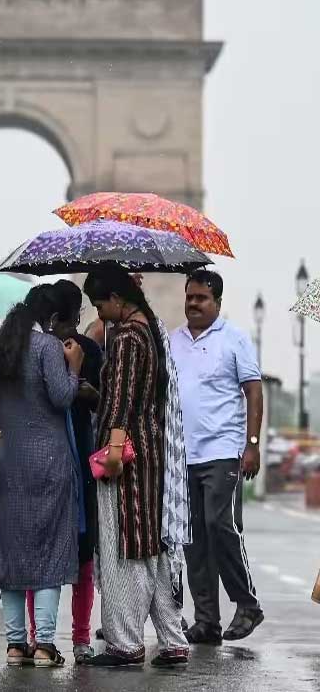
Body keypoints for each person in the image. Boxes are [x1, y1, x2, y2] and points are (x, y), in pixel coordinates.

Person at [83, 264, 190, 668]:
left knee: (124, 545)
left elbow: (125, 396)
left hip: (124, 457)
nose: (100, 312)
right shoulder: (151, 330)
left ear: (116, 298)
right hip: (149, 451)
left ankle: (125, 644)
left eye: (100, 304)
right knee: (152, 544)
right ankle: (173, 639)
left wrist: (112, 447)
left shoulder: (128, 336)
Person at [0, 284, 84, 668]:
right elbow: (62, 396)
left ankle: (14, 644)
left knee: (11, 549)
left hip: (11, 460)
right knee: (51, 548)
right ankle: (45, 644)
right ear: (53, 319)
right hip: (51, 460)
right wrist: (74, 369)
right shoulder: (48, 348)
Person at [170, 270, 264, 644]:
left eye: (202, 298)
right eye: (190, 297)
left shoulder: (234, 339)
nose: (194, 304)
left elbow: (253, 391)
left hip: (223, 450)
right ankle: (206, 619)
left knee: (219, 524)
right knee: (192, 537)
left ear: (217, 303)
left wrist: (251, 443)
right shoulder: (174, 341)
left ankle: (246, 603)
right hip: (183, 454)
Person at [23, 280, 102, 665]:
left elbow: (102, 397)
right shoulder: (35, 352)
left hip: (75, 457)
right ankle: (56, 638)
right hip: (58, 460)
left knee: (77, 550)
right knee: (52, 550)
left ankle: (65, 636)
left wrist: (86, 387)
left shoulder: (87, 351)